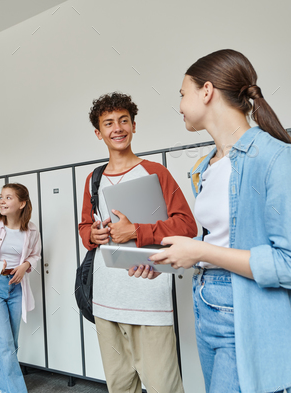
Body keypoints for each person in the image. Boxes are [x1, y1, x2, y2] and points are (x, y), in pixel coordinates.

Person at [139, 49, 291, 393]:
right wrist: (167, 258)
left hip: (248, 312)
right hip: (208, 304)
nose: (179, 105)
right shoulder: (207, 166)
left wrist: (199, 253)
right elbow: (222, 243)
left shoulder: (275, 159)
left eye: (183, 94)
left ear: (206, 91)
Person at [78, 92, 197, 393]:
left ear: (133, 126)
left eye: (123, 121)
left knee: (163, 387)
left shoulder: (156, 173)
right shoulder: (94, 178)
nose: (117, 128)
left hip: (148, 301)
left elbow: (187, 226)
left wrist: (136, 232)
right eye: (108, 123)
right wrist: (92, 235)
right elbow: (84, 229)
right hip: (105, 302)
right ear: (98, 132)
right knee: (120, 386)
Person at [0, 183, 42, 393]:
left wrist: (25, 265)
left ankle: (1, 389)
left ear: (22, 203)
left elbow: (35, 255)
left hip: (17, 288)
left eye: (9, 197)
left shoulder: (31, 230)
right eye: (1, 197)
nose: (2, 201)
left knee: (11, 345)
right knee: (5, 344)